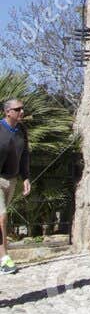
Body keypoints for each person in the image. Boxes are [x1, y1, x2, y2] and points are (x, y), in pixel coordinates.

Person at [0, 97, 31, 273]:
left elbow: (25, 154)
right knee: (1, 217)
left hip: (12, 180)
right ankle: (5, 259)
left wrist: (26, 177)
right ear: (8, 112)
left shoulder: (21, 130)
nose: (21, 112)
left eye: (22, 109)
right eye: (18, 109)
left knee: (1, 219)